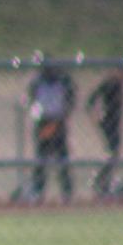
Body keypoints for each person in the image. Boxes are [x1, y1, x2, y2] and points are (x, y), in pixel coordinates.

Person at [24, 62, 77, 203]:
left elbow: (71, 99)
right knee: (41, 158)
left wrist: (64, 115)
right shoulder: (37, 83)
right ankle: (38, 191)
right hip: (43, 122)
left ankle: (67, 192)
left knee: (62, 157)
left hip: (58, 121)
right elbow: (32, 100)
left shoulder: (62, 81)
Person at [86, 68, 123, 197]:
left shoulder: (119, 85)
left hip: (115, 123)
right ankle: (99, 180)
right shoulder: (109, 85)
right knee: (113, 153)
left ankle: (104, 181)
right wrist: (96, 116)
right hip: (108, 122)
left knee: (115, 153)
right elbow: (90, 101)